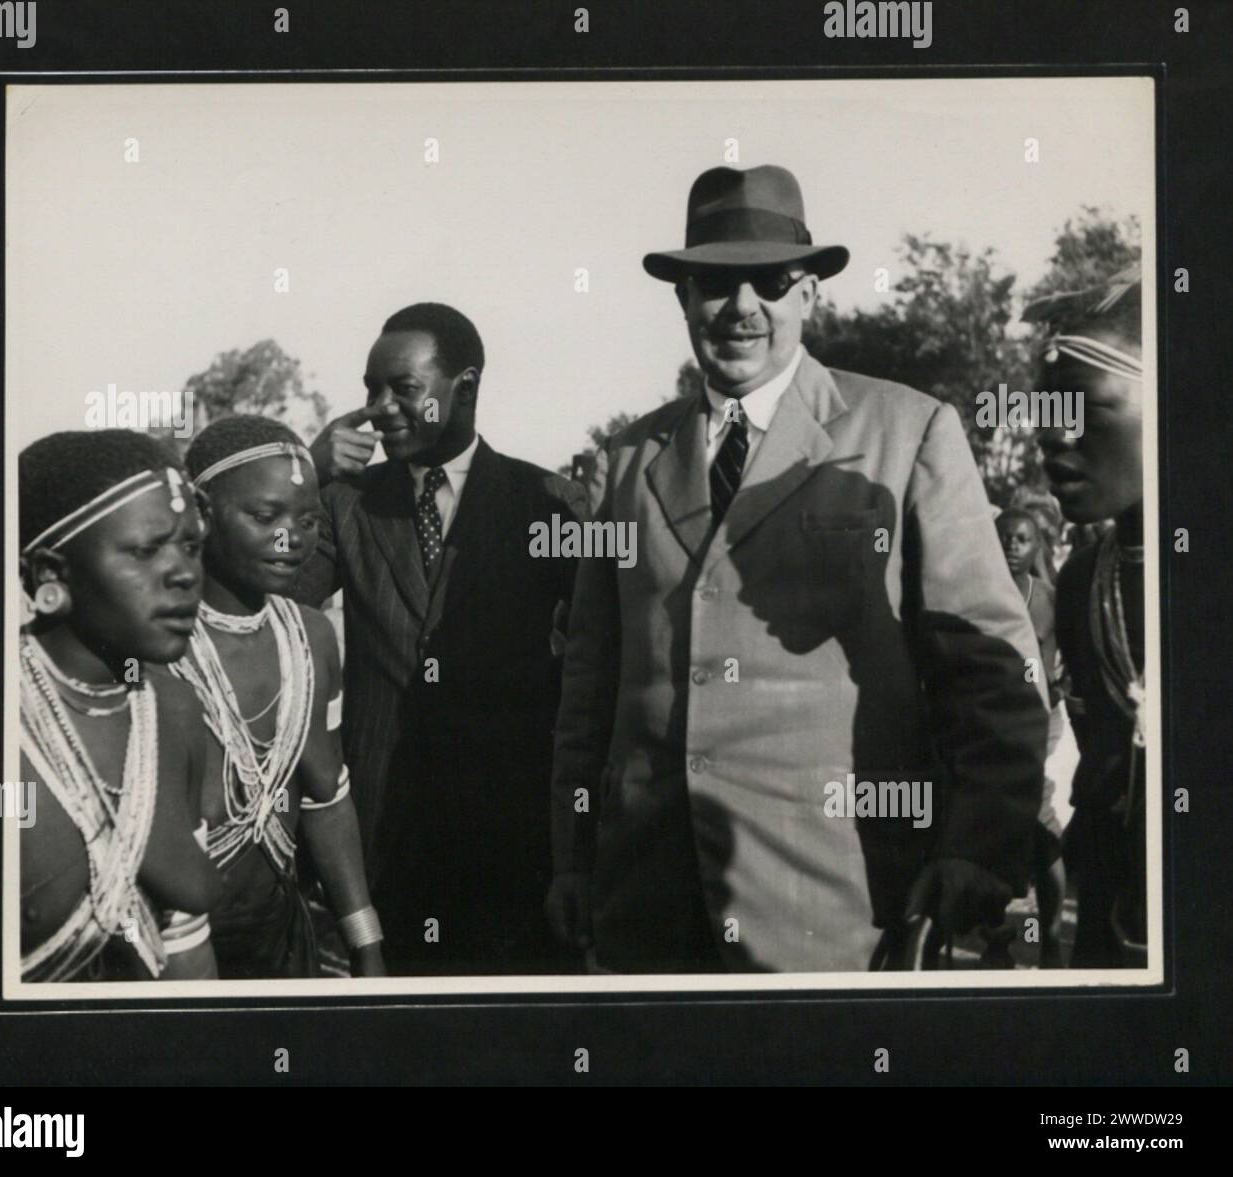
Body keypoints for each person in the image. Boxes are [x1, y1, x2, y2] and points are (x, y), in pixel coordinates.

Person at [548, 165, 1049, 973]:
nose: (742, 307)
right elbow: (589, 681)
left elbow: (991, 664)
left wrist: (979, 850)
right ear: (682, 298)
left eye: (770, 281)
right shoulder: (623, 463)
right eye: (714, 281)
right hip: (648, 906)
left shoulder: (908, 431)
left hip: (841, 908)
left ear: (810, 294)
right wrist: (573, 856)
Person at [295, 303, 589, 975]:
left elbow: (600, 657)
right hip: (380, 844)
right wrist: (304, 473)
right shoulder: (344, 503)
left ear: (466, 385)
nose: (378, 407)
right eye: (370, 387)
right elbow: (263, 605)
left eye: (404, 387)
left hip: (514, 839)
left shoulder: (549, 501)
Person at [169, 415, 385, 979]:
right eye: (265, 517)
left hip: (280, 941)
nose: (293, 538)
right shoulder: (159, 647)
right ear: (201, 513)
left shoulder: (310, 637)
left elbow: (325, 796)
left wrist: (365, 941)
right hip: (171, 950)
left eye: (309, 519)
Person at [18, 430, 221, 982]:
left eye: (191, 546)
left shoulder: (174, 708)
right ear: (50, 574)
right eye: (145, 550)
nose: (185, 574)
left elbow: (184, 946)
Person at [1029, 264, 1146, 968]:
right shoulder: (1082, 579)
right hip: (1112, 895)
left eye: (1085, 411)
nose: (1051, 440)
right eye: (1044, 418)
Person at [993, 506, 1066, 967]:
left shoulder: (1050, 599)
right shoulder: (980, 594)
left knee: (1041, 828)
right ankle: (996, 942)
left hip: (1039, 727)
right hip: (991, 727)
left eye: (1022, 539)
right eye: (1005, 538)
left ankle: (1053, 942)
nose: (1012, 547)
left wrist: (1059, 686)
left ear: (1037, 546)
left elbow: (1072, 657)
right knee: (993, 830)